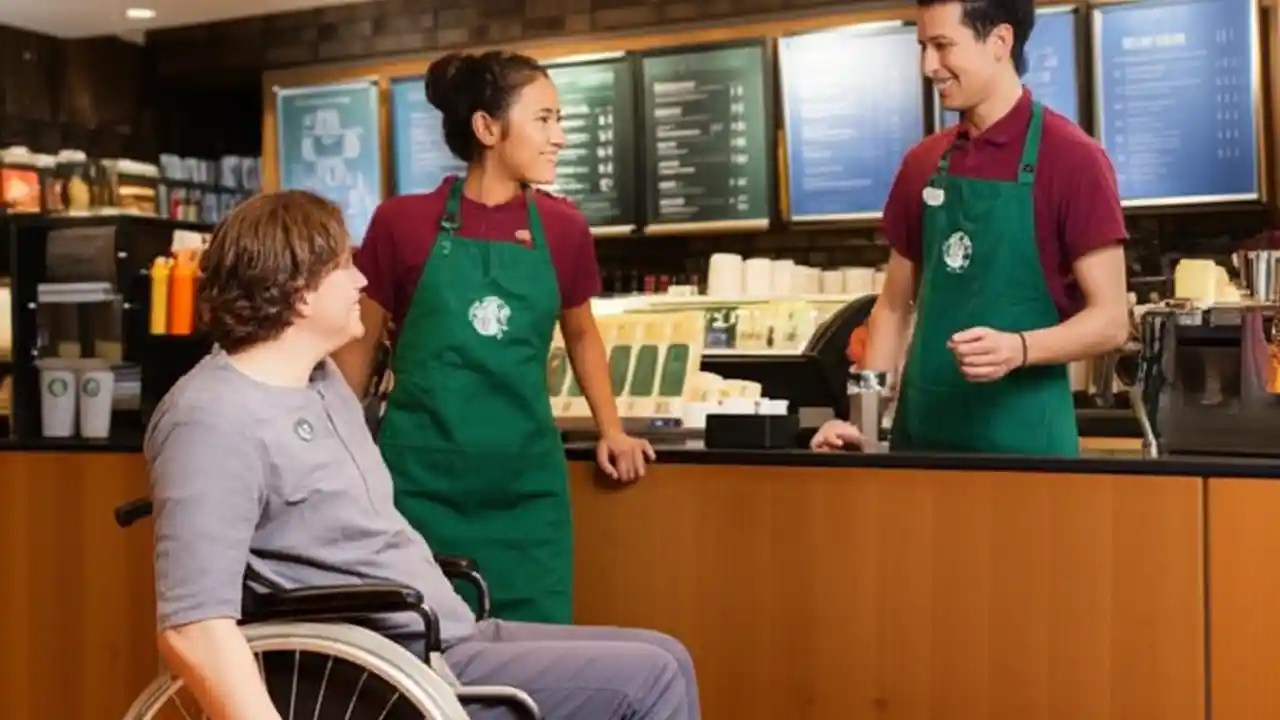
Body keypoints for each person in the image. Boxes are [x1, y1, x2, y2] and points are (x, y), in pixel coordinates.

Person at [145, 190, 700, 720]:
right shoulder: (212, 419)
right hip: (388, 667)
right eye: (345, 266)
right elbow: (193, 628)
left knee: (668, 654)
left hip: (445, 629)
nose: (362, 280)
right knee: (653, 678)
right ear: (301, 292)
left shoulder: (321, 383)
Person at [332, 50, 652, 626]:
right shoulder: (401, 223)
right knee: (417, 652)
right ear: (487, 128)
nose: (561, 137)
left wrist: (613, 429)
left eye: (560, 120)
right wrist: (334, 450)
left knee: (537, 658)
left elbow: (581, 334)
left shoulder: (564, 228)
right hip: (416, 488)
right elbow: (357, 344)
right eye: (545, 119)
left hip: (524, 491)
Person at [812, 0, 1130, 456]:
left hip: (1028, 450)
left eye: (943, 46)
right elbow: (893, 309)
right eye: (923, 47)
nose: (928, 66)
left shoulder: (1073, 160)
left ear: (1000, 41)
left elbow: (1111, 321)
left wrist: (1019, 349)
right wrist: (862, 422)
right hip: (921, 444)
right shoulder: (923, 163)